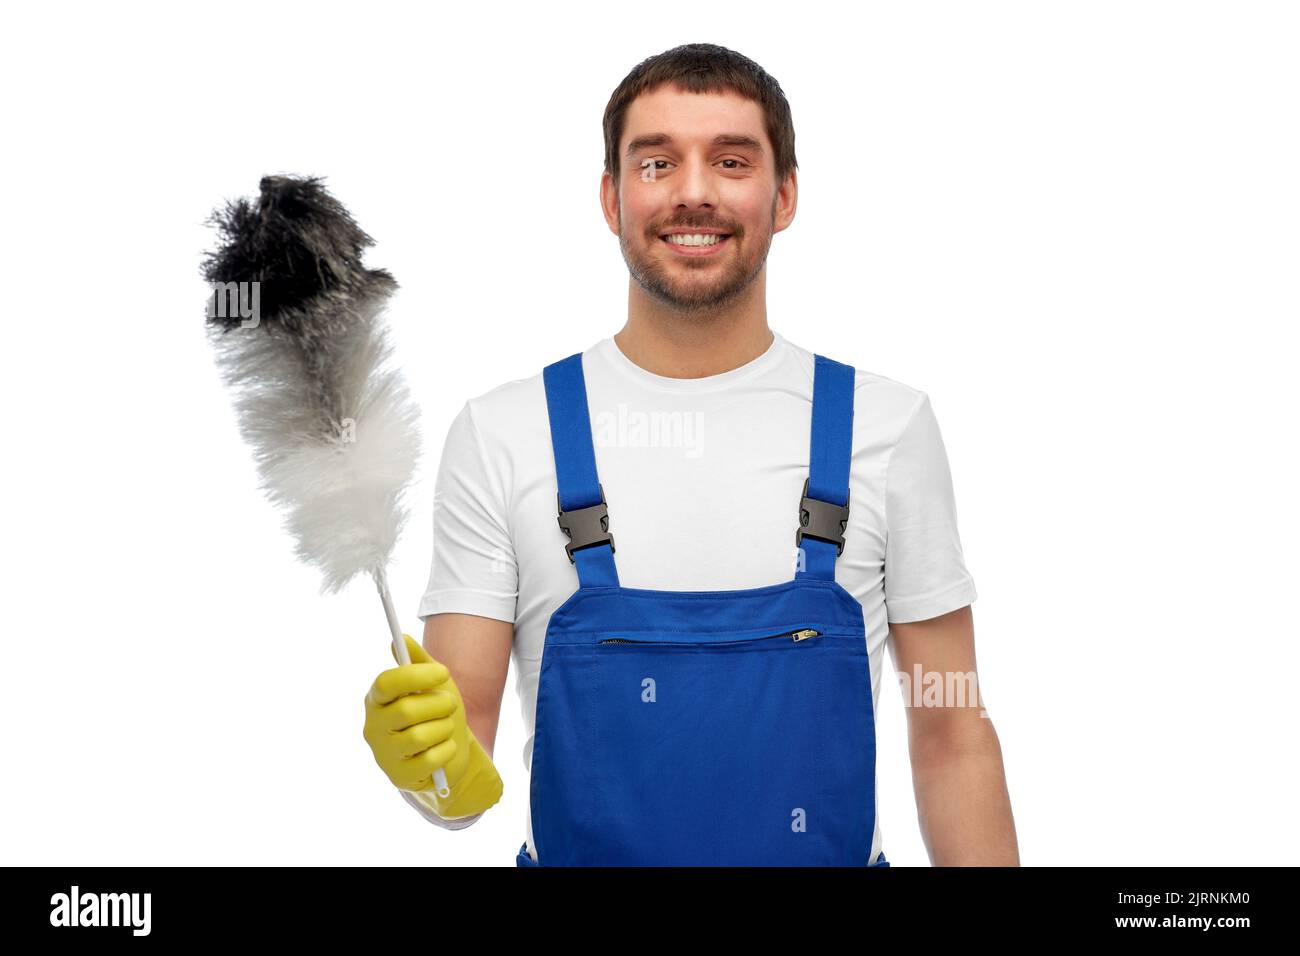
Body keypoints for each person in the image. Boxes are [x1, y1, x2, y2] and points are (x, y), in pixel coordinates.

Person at [363, 42, 1018, 866]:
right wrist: (435, 768)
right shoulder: (503, 433)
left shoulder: (888, 429)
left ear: (784, 196)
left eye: (732, 161)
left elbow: (952, 728)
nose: (695, 192)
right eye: (657, 163)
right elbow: (460, 775)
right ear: (612, 197)